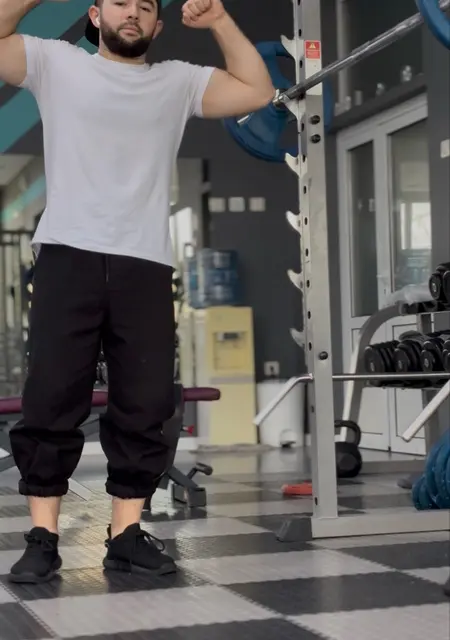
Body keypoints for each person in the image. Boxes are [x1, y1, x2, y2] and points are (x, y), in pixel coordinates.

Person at [0, 0, 275, 584]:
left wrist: (220, 21)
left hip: (145, 262)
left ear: (157, 24)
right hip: (66, 255)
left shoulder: (177, 82)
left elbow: (257, 90)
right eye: (120, 3)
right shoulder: (55, 63)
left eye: (145, 7)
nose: (133, 13)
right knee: (52, 396)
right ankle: (43, 539)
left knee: (146, 402)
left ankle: (124, 534)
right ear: (95, 14)